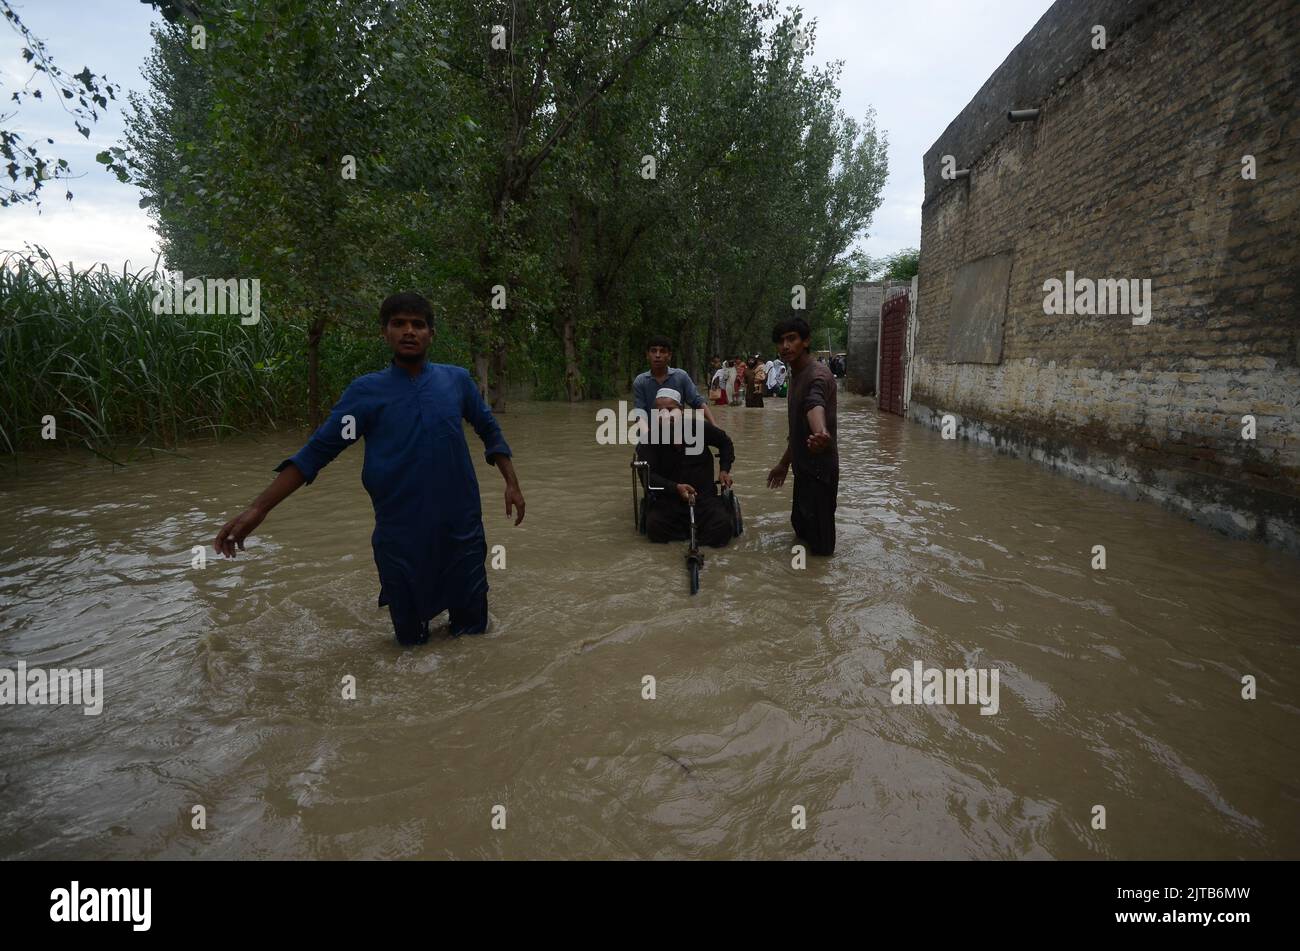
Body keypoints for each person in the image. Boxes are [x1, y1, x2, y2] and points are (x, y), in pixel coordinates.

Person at [213, 291, 526, 644]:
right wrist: (258, 509)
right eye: (399, 324)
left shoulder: (456, 382)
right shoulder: (366, 393)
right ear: (385, 333)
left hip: (461, 527)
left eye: (418, 324)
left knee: (472, 636)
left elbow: (489, 428)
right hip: (401, 534)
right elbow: (317, 452)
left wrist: (511, 483)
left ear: (431, 334)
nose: (409, 331)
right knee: (410, 644)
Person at [766, 317, 837, 556]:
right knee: (800, 528)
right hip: (803, 470)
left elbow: (814, 404)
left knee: (821, 548)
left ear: (806, 341)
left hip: (820, 471)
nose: (785, 346)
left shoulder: (818, 376)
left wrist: (820, 432)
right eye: (781, 341)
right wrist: (784, 463)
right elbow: (797, 431)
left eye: (792, 339)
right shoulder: (795, 374)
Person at [637, 388, 735, 547]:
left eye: (670, 409)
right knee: (655, 527)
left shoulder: (699, 428)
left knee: (722, 526)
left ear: (681, 410)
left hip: (704, 498)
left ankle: (699, 541)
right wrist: (675, 488)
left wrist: (724, 469)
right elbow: (647, 476)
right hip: (669, 500)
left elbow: (725, 443)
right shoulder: (649, 440)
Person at [632, 336, 716, 425]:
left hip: (677, 428)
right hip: (651, 429)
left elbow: (697, 402)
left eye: (662, 351)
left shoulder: (681, 377)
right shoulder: (641, 381)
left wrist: (714, 426)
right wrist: (647, 432)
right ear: (647, 355)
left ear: (669, 355)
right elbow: (639, 412)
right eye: (653, 351)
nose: (657, 355)